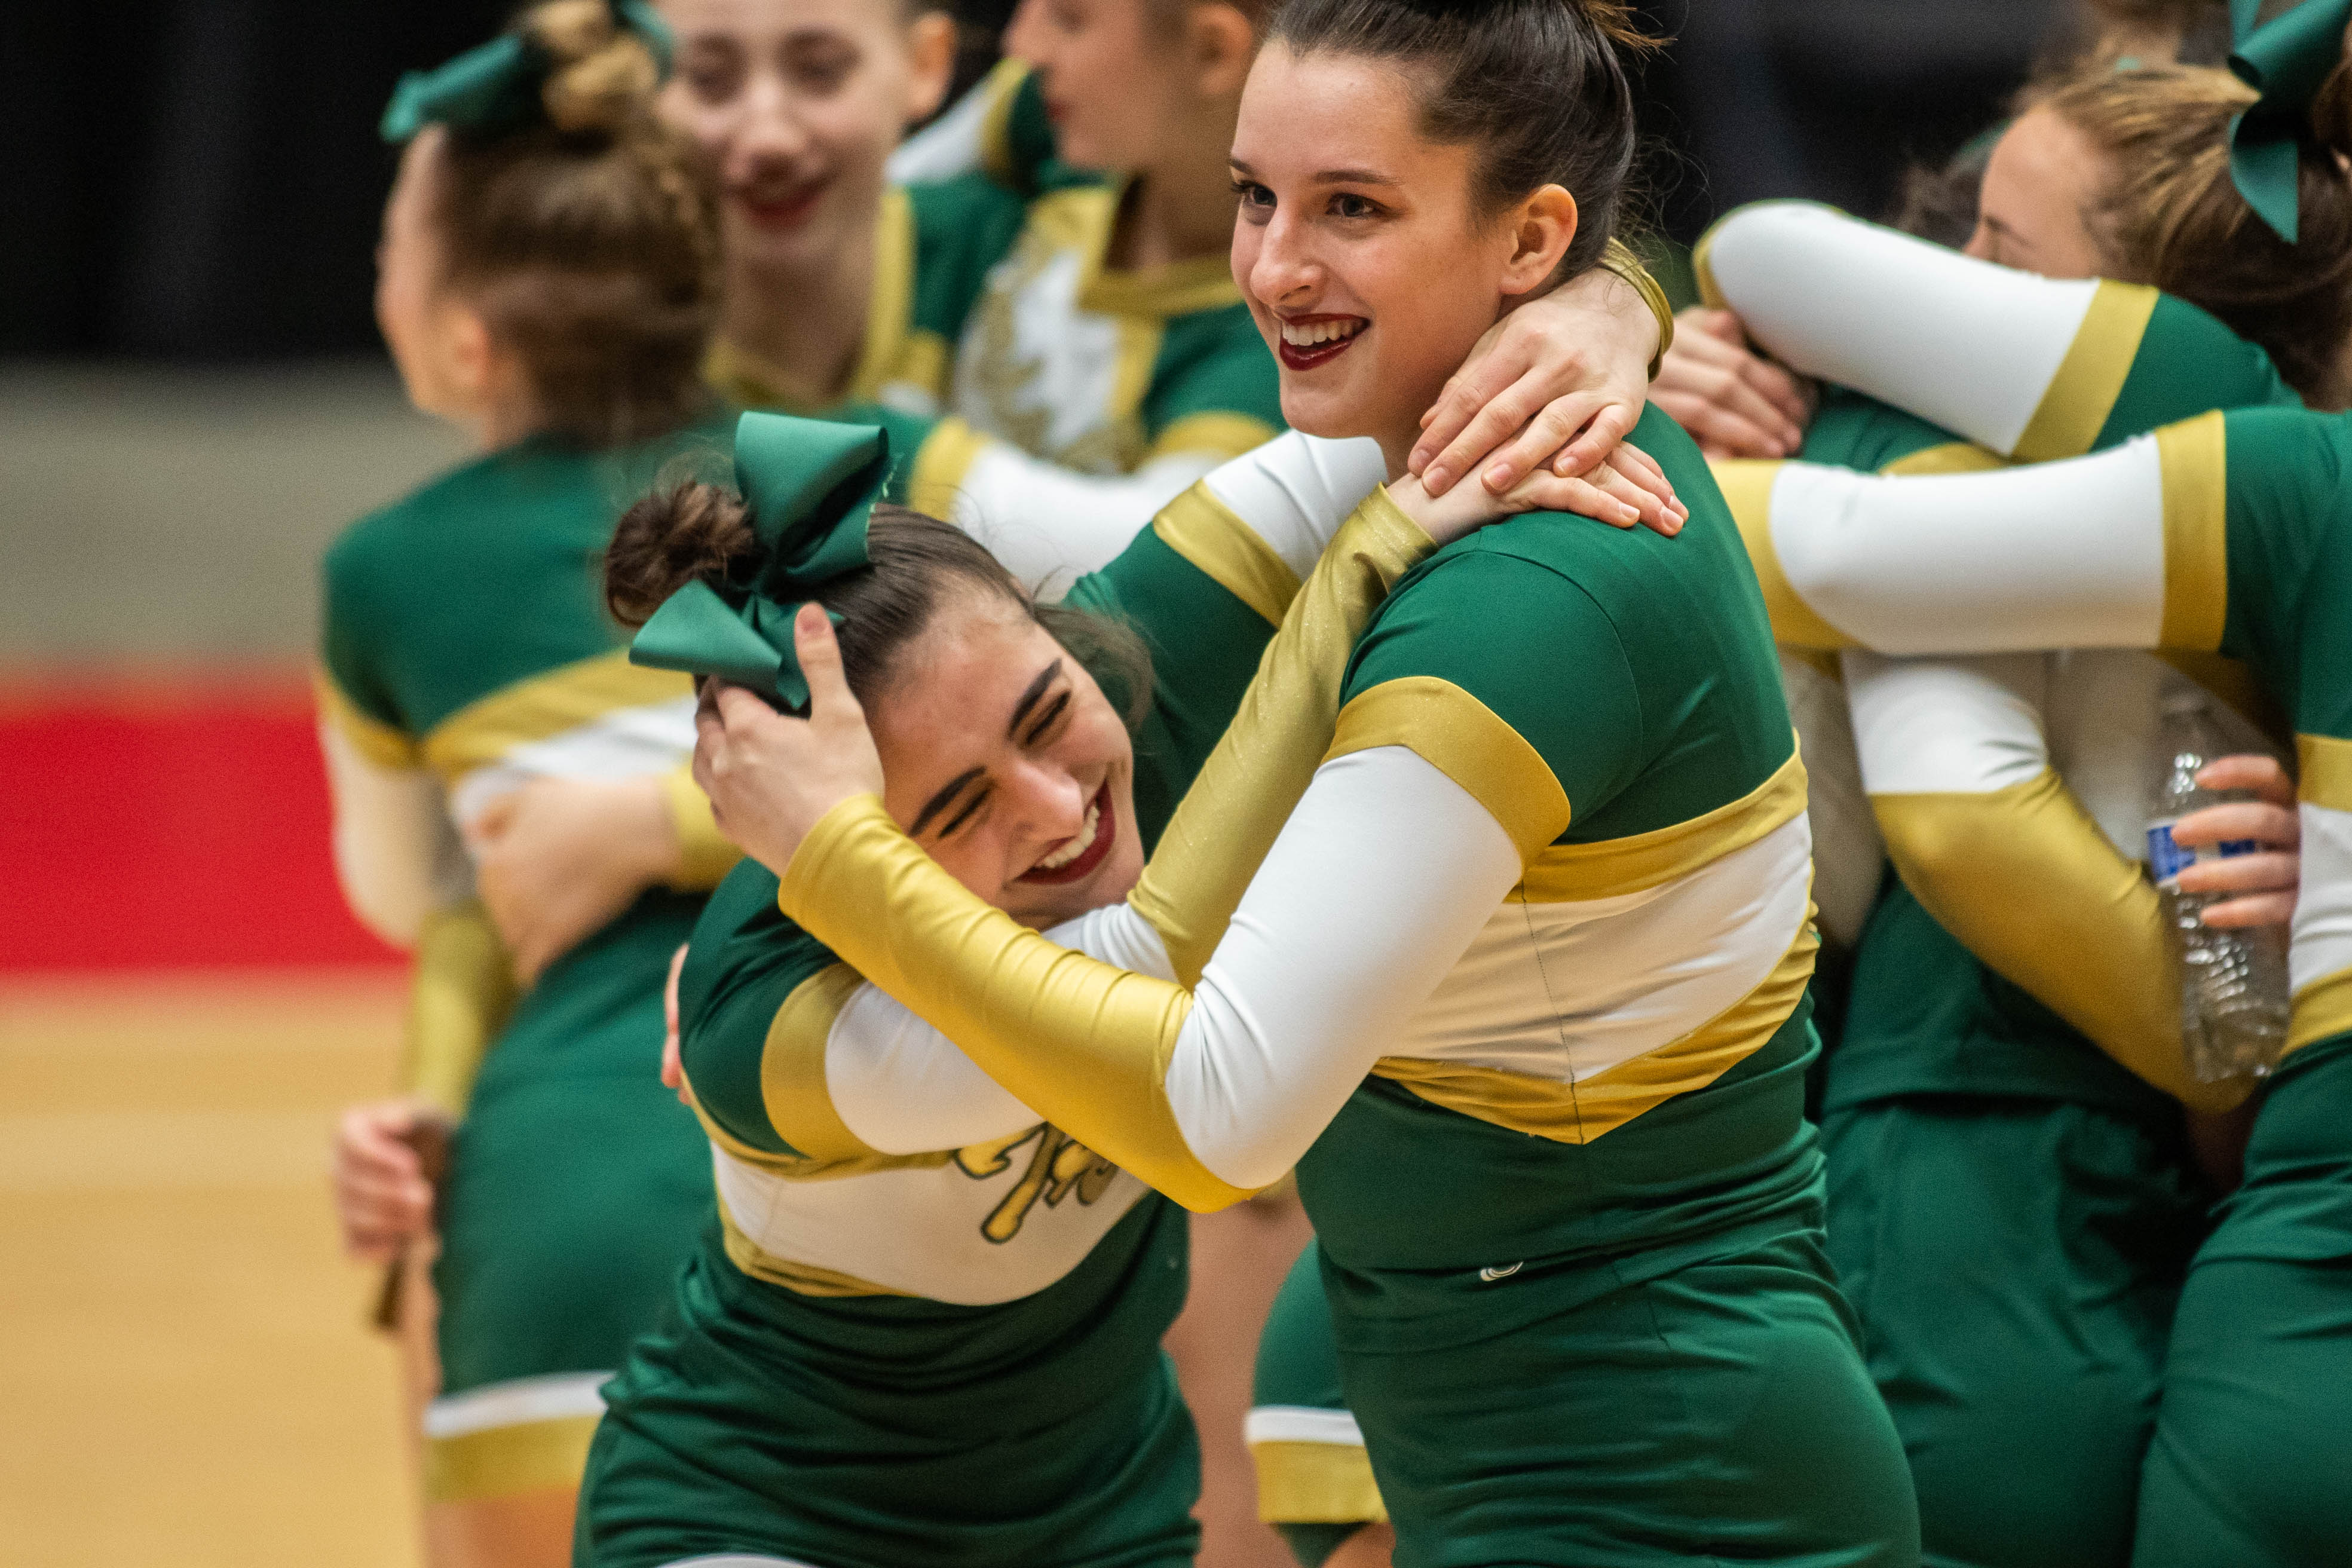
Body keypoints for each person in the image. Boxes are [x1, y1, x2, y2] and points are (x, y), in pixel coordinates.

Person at [688, 1, 1927, 1562]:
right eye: (1257, 197)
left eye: (1353, 208)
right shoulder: (1396, 455)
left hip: (1657, 1469)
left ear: (1529, 233)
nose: (1271, 268)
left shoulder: (1530, 591)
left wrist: (839, 880)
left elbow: (1219, 1113)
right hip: (1491, 1420)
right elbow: (1040, 698)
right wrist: (765, 922)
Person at [573, 390, 1667, 1565]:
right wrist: (1356, 571)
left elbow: (1448, 402)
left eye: (1048, 713)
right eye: (956, 809)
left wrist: (1608, 311)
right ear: (829, 839)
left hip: (1101, 1523)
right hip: (764, 1516)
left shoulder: (1133, 653)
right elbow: (1150, 979)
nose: (1058, 806)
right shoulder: (771, 1014)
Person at [319, 6, 739, 1566]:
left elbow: (418, 894)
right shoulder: (858, 468)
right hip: (870, 1142)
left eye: (388, 246)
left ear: (467, 338)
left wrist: (428, 1099)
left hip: (556, 1180)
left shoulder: (389, 573)